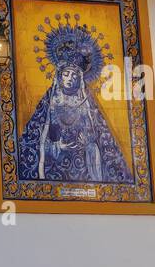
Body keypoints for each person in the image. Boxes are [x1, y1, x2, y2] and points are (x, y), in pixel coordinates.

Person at [18, 47, 131, 183]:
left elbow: (100, 136)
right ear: (59, 76)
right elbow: (34, 139)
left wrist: (88, 142)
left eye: (74, 75)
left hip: (83, 167)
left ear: (79, 79)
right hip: (54, 167)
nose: (69, 78)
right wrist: (56, 147)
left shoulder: (86, 102)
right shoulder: (50, 101)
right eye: (66, 74)